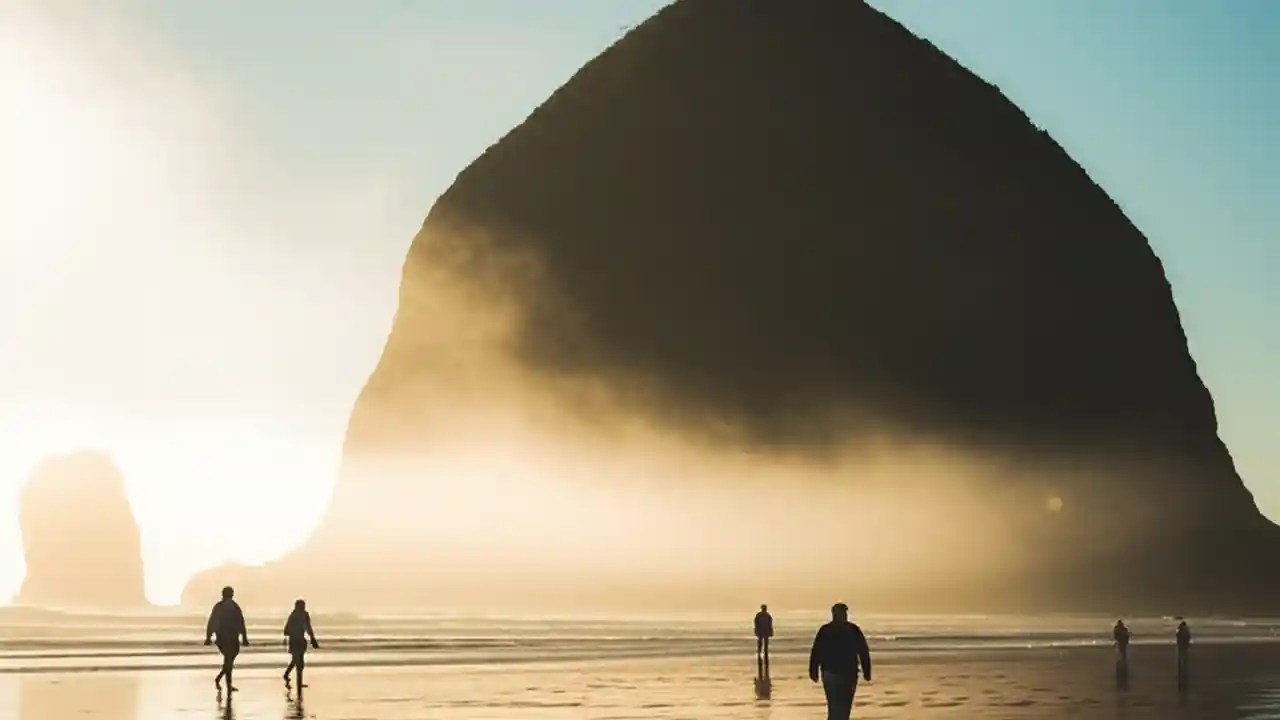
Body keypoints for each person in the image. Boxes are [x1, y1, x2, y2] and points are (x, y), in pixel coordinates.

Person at [809, 603, 872, 720]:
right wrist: (866, 671)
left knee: (835, 706)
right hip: (846, 673)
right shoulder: (853, 630)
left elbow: (816, 651)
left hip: (832, 673)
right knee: (843, 707)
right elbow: (863, 651)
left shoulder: (825, 630)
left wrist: (813, 671)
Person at [204, 586, 249, 692]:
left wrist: (209, 636)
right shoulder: (233, 607)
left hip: (225, 637)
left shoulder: (221, 607)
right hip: (228, 637)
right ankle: (227, 684)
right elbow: (241, 623)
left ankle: (220, 679)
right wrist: (244, 637)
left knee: (229, 660)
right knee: (229, 659)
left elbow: (212, 621)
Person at [282, 598, 320, 688]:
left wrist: (312, 638)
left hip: (299, 640)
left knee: (297, 661)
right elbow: (286, 630)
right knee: (298, 661)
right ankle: (295, 680)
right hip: (295, 640)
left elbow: (308, 627)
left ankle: (289, 676)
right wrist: (312, 638)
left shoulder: (300, 615)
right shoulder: (295, 615)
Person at [1176, 620, 1191, 686]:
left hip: (1180, 644)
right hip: (1184, 644)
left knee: (1180, 655)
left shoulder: (1179, 629)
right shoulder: (1186, 630)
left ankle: (1180, 667)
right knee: (1184, 655)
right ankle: (1183, 666)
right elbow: (1188, 636)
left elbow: (1177, 636)